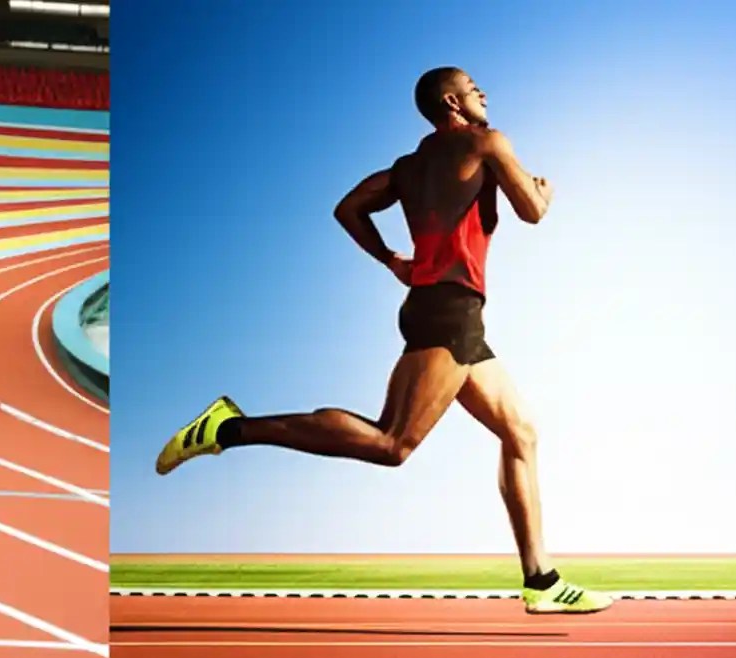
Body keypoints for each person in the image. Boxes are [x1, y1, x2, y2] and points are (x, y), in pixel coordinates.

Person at [155, 67, 612, 615]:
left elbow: (348, 207)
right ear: (453, 102)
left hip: (444, 310)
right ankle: (229, 428)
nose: (484, 93)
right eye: (474, 88)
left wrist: (393, 260)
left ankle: (540, 580)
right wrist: (543, 188)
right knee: (392, 444)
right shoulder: (488, 142)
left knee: (521, 431)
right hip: (450, 313)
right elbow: (532, 211)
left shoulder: (408, 169)